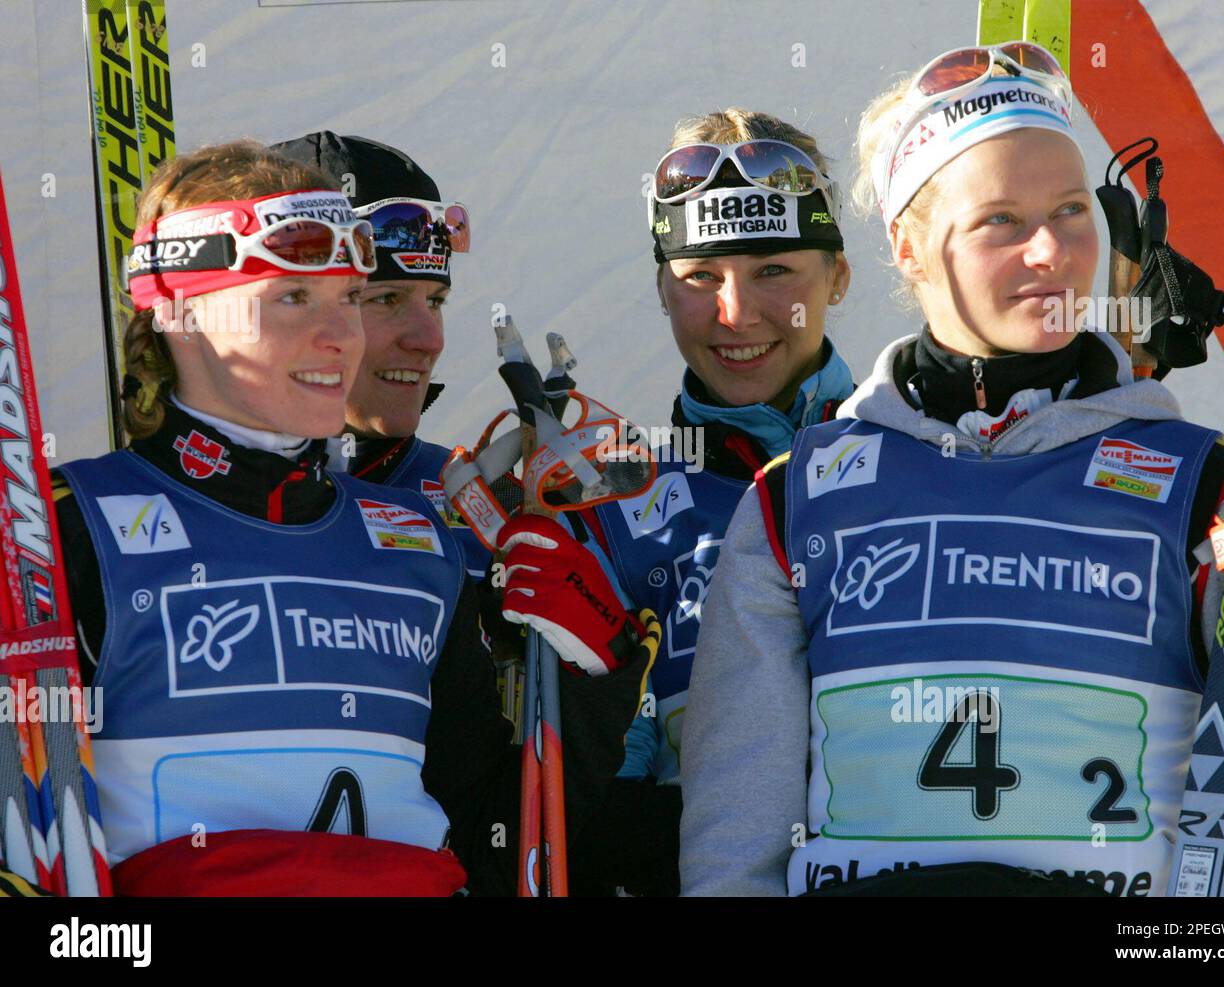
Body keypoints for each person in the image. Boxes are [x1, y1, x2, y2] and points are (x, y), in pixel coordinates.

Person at [679, 44, 1224, 896]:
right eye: (1002, 221)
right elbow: (738, 829)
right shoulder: (798, 497)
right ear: (910, 248)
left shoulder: (1205, 487)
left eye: (1070, 210)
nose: (1052, 251)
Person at [50, 139, 653, 896]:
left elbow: (501, 851)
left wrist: (594, 673)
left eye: (346, 296)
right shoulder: (71, 532)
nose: (340, 335)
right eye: (294, 297)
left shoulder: (415, 543)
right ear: (178, 311)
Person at [562, 109, 853, 896]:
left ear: (840, 275)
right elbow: (592, 818)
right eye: (700, 278)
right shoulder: (609, 507)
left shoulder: (926, 467)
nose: (735, 314)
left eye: (773, 272)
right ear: (661, 287)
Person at [269, 132, 491, 578]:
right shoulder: (178, 502)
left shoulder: (491, 504)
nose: (430, 340)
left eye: (435, 302)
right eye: (386, 299)